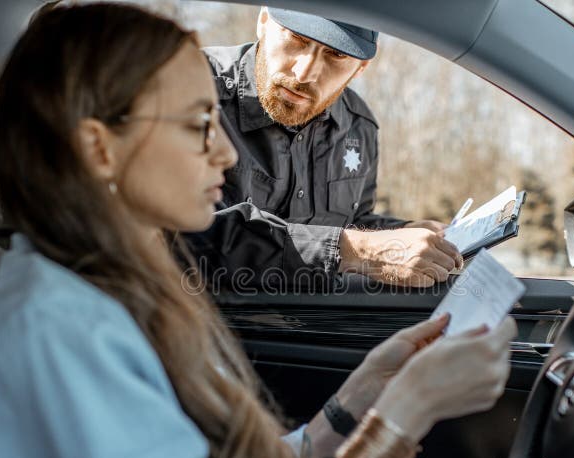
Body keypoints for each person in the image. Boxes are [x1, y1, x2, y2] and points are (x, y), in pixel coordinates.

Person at [0, 3, 517, 458]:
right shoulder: (57, 336)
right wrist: (405, 413)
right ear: (100, 148)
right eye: (198, 125)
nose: (230, 153)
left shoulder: (116, 301)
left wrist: (364, 392)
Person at [188, 7, 463, 288]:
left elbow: (353, 220)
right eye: (296, 38)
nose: (304, 72)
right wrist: (356, 250)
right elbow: (182, 234)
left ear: (361, 68)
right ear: (263, 22)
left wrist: (402, 233)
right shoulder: (190, 87)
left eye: (337, 55)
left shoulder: (359, 125)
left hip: (317, 321)